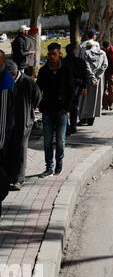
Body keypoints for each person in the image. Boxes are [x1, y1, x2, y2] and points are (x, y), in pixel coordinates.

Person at [2, 58, 41, 189]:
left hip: (23, 121)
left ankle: (19, 179)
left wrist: (29, 112)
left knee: (21, 149)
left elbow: (37, 98)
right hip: (8, 121)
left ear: (14, 73)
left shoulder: (27, 82)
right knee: (9, 148)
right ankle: (8, 177)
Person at [36, 42, 74, 175]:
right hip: (47, 110)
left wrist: (67, 107)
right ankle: (49, 166)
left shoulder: (66, 69)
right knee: (47, 140)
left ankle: (59, 162)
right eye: (50, 54)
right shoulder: (43, 71)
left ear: (60, 54)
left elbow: (71, 90)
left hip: (62, 110)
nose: (52, 57)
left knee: (60, 139)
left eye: (54, 54)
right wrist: (39, 105)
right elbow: (37, 89)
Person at [77, 32, 107, 125]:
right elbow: (105, 65)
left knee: (84, 99)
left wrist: (92, 77)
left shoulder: (84, 50)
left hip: (87, 78)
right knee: (95, 99)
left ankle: (83, 118)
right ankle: (91, 119)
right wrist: (97, 75)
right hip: (99, 79)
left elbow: (86, 66)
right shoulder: (102, 53)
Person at [64, 41, 86, 135]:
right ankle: (73, 126)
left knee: (65, 108)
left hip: (65, 87)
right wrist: (84, 86)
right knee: (74, 107)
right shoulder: (80, 61)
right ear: (74, 50)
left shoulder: (63, 61)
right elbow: (85, 74)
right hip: (76, 87)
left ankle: (67, 126)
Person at [102, 40, 113, 111]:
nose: (106, 49)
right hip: (103, 72)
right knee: (103, 88)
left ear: (109, 46)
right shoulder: (102, 50)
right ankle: (104, 104)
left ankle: (111, 103)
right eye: (104, 48)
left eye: (107, 48)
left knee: (111, 88)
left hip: (112, 72)